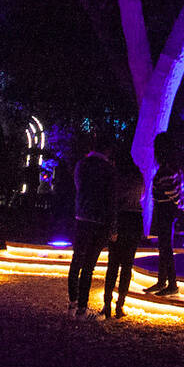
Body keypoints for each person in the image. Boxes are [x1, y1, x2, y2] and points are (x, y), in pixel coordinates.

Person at [67, 133, 114, 317]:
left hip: (82, 216)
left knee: (76, 260)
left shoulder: (81, 164)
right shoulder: (108, 169)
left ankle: (72, 302)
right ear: (108, 149)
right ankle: (82, 308)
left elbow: (78, 187)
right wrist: (112, 225)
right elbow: (110, 198)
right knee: (89, 266)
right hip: (99, 219)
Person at [100, 150, 145, 318]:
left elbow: (111, 202)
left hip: (120, 219)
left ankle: (107, 304)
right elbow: (142, 196)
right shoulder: (138, 176)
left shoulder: (116, 177)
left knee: (113, 265)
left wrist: (112, 228)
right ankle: (120, 305)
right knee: (127, 265)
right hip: (134, 220)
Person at [144, 132, 184, 297]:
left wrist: (181, 206)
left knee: (166, 248)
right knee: (163, 246)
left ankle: (171, 283)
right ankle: (163, 281)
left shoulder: (167, 169)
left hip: (165, 211)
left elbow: (173, 192)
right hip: (166, 210)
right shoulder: (171, 167)